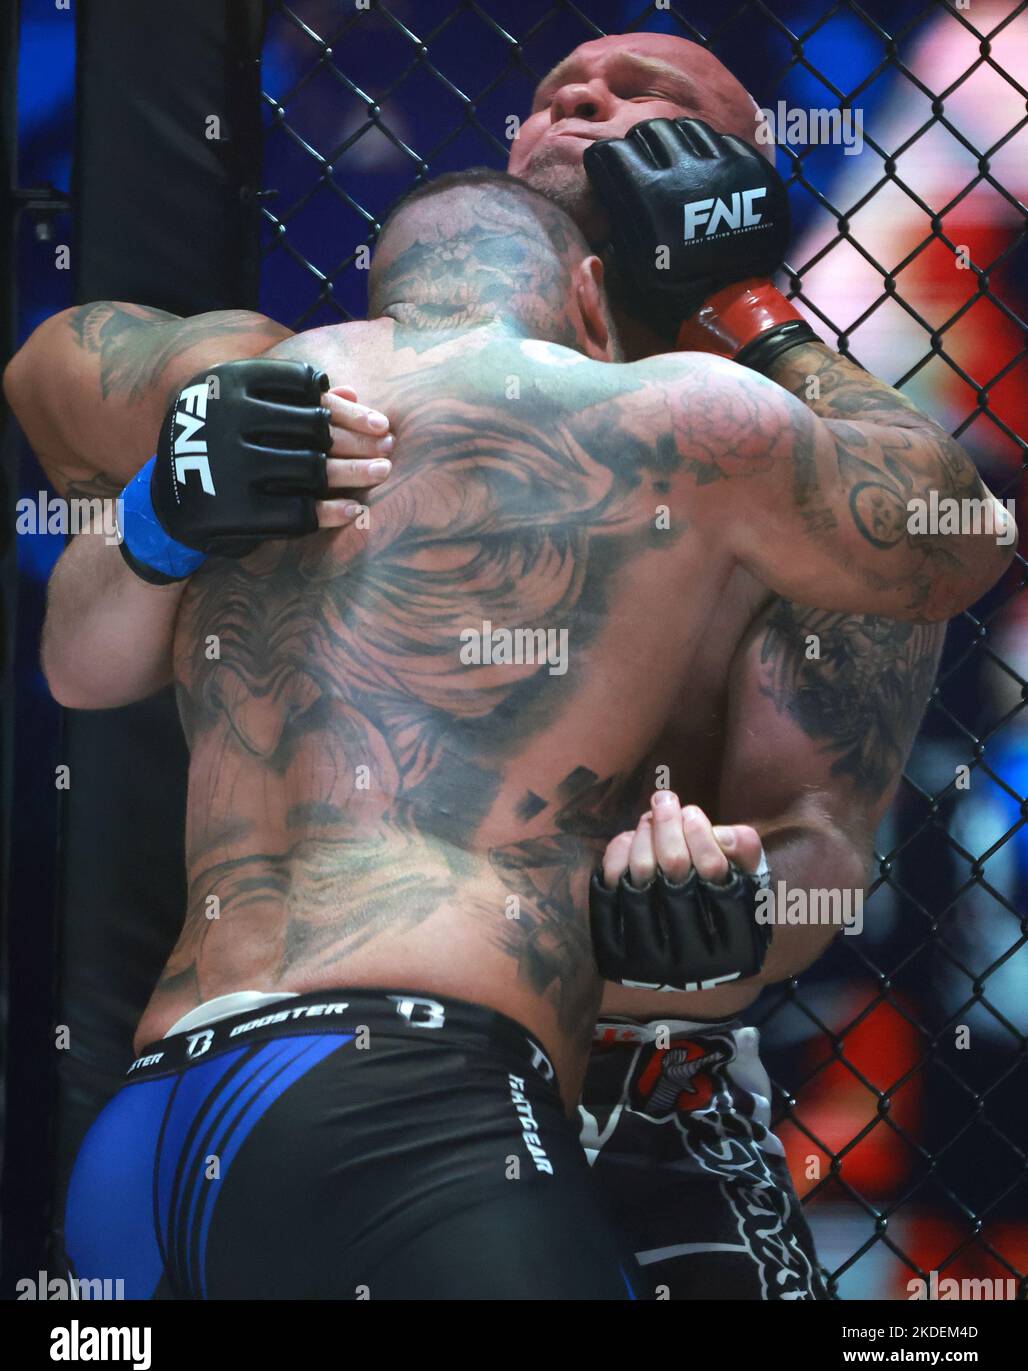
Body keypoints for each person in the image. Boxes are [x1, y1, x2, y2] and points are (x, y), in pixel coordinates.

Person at [4, 162, 1006, 1298]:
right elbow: (958, 527)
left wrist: (159, 491)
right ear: (587, 296)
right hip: (410, 1108)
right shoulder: (679, 417)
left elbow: (49, 380)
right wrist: (757, 315)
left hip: (150, 1128)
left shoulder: (265, 376)